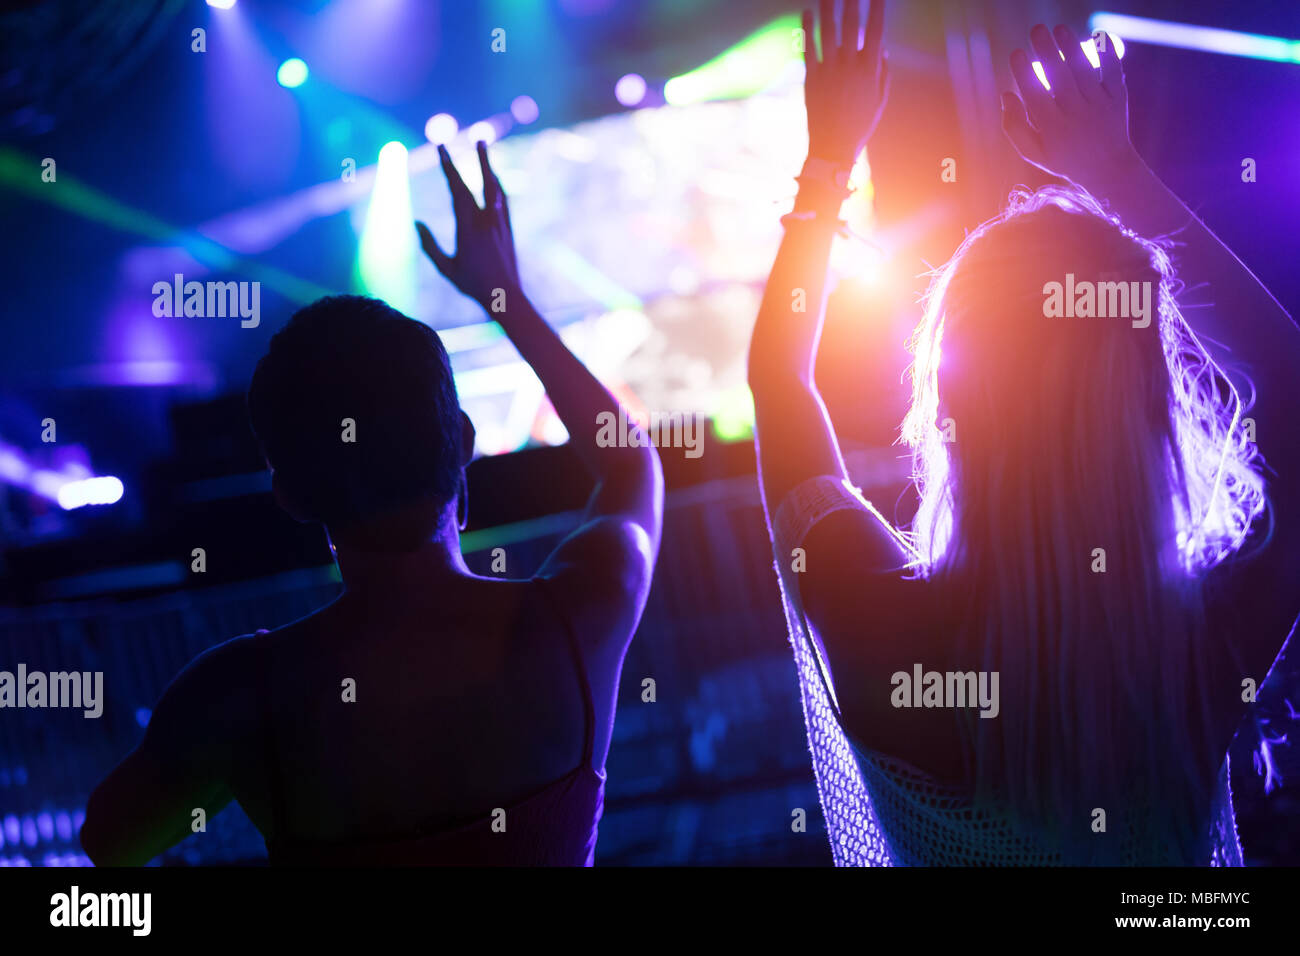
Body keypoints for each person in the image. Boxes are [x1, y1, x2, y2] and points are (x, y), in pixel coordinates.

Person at [748, 0, 1300, 864]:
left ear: (945, 404)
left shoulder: (881, 630)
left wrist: (827, 164)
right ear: (1153, 405)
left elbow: (779, 384)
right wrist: (1116, 173)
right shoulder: (1195, 652)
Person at [81, 142, 662, 866]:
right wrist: (503, 297)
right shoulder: (580, 619)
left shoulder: (236, 697)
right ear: (467, 444)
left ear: (289, 493)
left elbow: (109, 842)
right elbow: (630, 462)